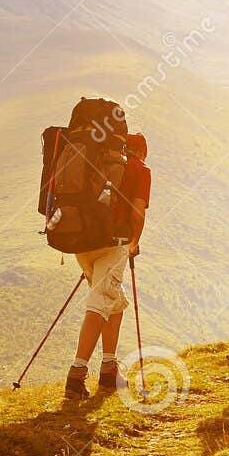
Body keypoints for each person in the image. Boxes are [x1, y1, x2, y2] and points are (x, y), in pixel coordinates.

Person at [65, 131, 150, 399]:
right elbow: (137, 212)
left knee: (115, 301)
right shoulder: (139, 169)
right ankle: (76, 377)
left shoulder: (97, 161)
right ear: (143, 151)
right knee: (100, 303)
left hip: (81, 240)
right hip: (113, 243)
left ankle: (109, 372)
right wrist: (134, 243)